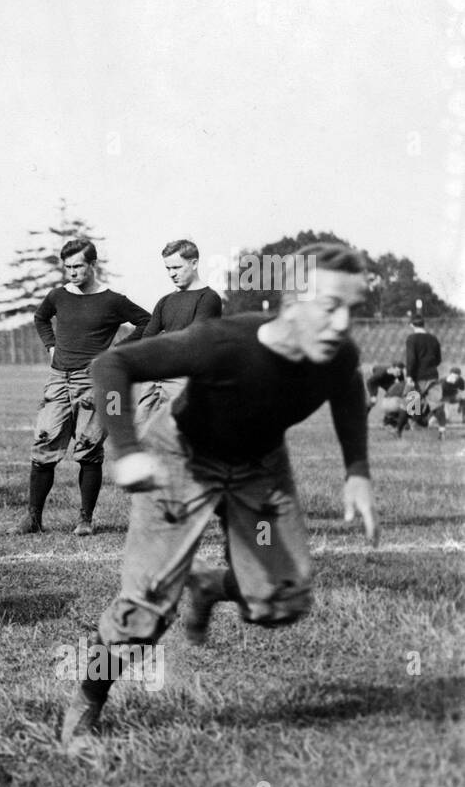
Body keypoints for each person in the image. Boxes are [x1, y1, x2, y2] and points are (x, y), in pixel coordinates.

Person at [60, 244, 378, 742]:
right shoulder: (224, 342)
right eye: (331, 307)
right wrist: (126, 449)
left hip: (259, 468)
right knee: (143, 614)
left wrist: (356, 471)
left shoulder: (339, 356)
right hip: (180, 459)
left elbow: (349, 396)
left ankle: (208, 585)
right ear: (294, 300)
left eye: (353, 311)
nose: (343, 325)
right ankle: (88, 700)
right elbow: (111, 367)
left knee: (281, 599)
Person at [22, 238, 151, 536]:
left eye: (78, 266)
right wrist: (50, 346)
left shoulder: (113, 300)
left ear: (93, 264)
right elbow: (41, 317)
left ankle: (85, 520)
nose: (72, 273)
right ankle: (33, 519)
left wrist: (115, 352)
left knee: (88, 449)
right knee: (43, 444)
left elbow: (147, 321)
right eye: (67, 267)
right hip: (57, 380)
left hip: (92, 383)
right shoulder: (57, 296)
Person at [134, 240, 223, 428]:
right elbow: (147, 339)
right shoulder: (165, 301)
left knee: (179, 436)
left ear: (194, 263)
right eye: (168, 268)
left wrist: (163, 340)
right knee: (142, 435)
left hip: (183, 379)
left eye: (176, 267)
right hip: (152, 379)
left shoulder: (208, 298)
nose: (171, 274)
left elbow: (193, 340)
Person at [405, 316, 447, 439]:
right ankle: (442, 430)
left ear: (412, 325)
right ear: (423, 325)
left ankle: (409, 429)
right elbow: (438, 359)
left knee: (412, 403)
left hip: (418, 376)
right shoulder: (434, 339)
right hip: (432, 375)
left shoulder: (411, 339)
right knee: (437, 404)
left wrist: (409, 376)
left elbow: (411, 359)